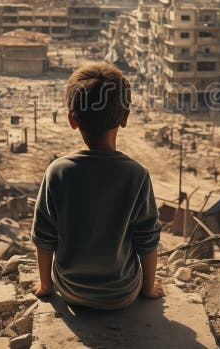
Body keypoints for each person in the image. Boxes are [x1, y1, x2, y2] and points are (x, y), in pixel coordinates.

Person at [31, 62, 163, 309]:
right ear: (125, 117)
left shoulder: (57, 172)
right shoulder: (136, 175)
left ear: (72, 120)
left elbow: (43, 235)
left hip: (70, 290)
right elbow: (147, 238)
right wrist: (147, 289)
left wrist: (46, 286)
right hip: (122, 293)